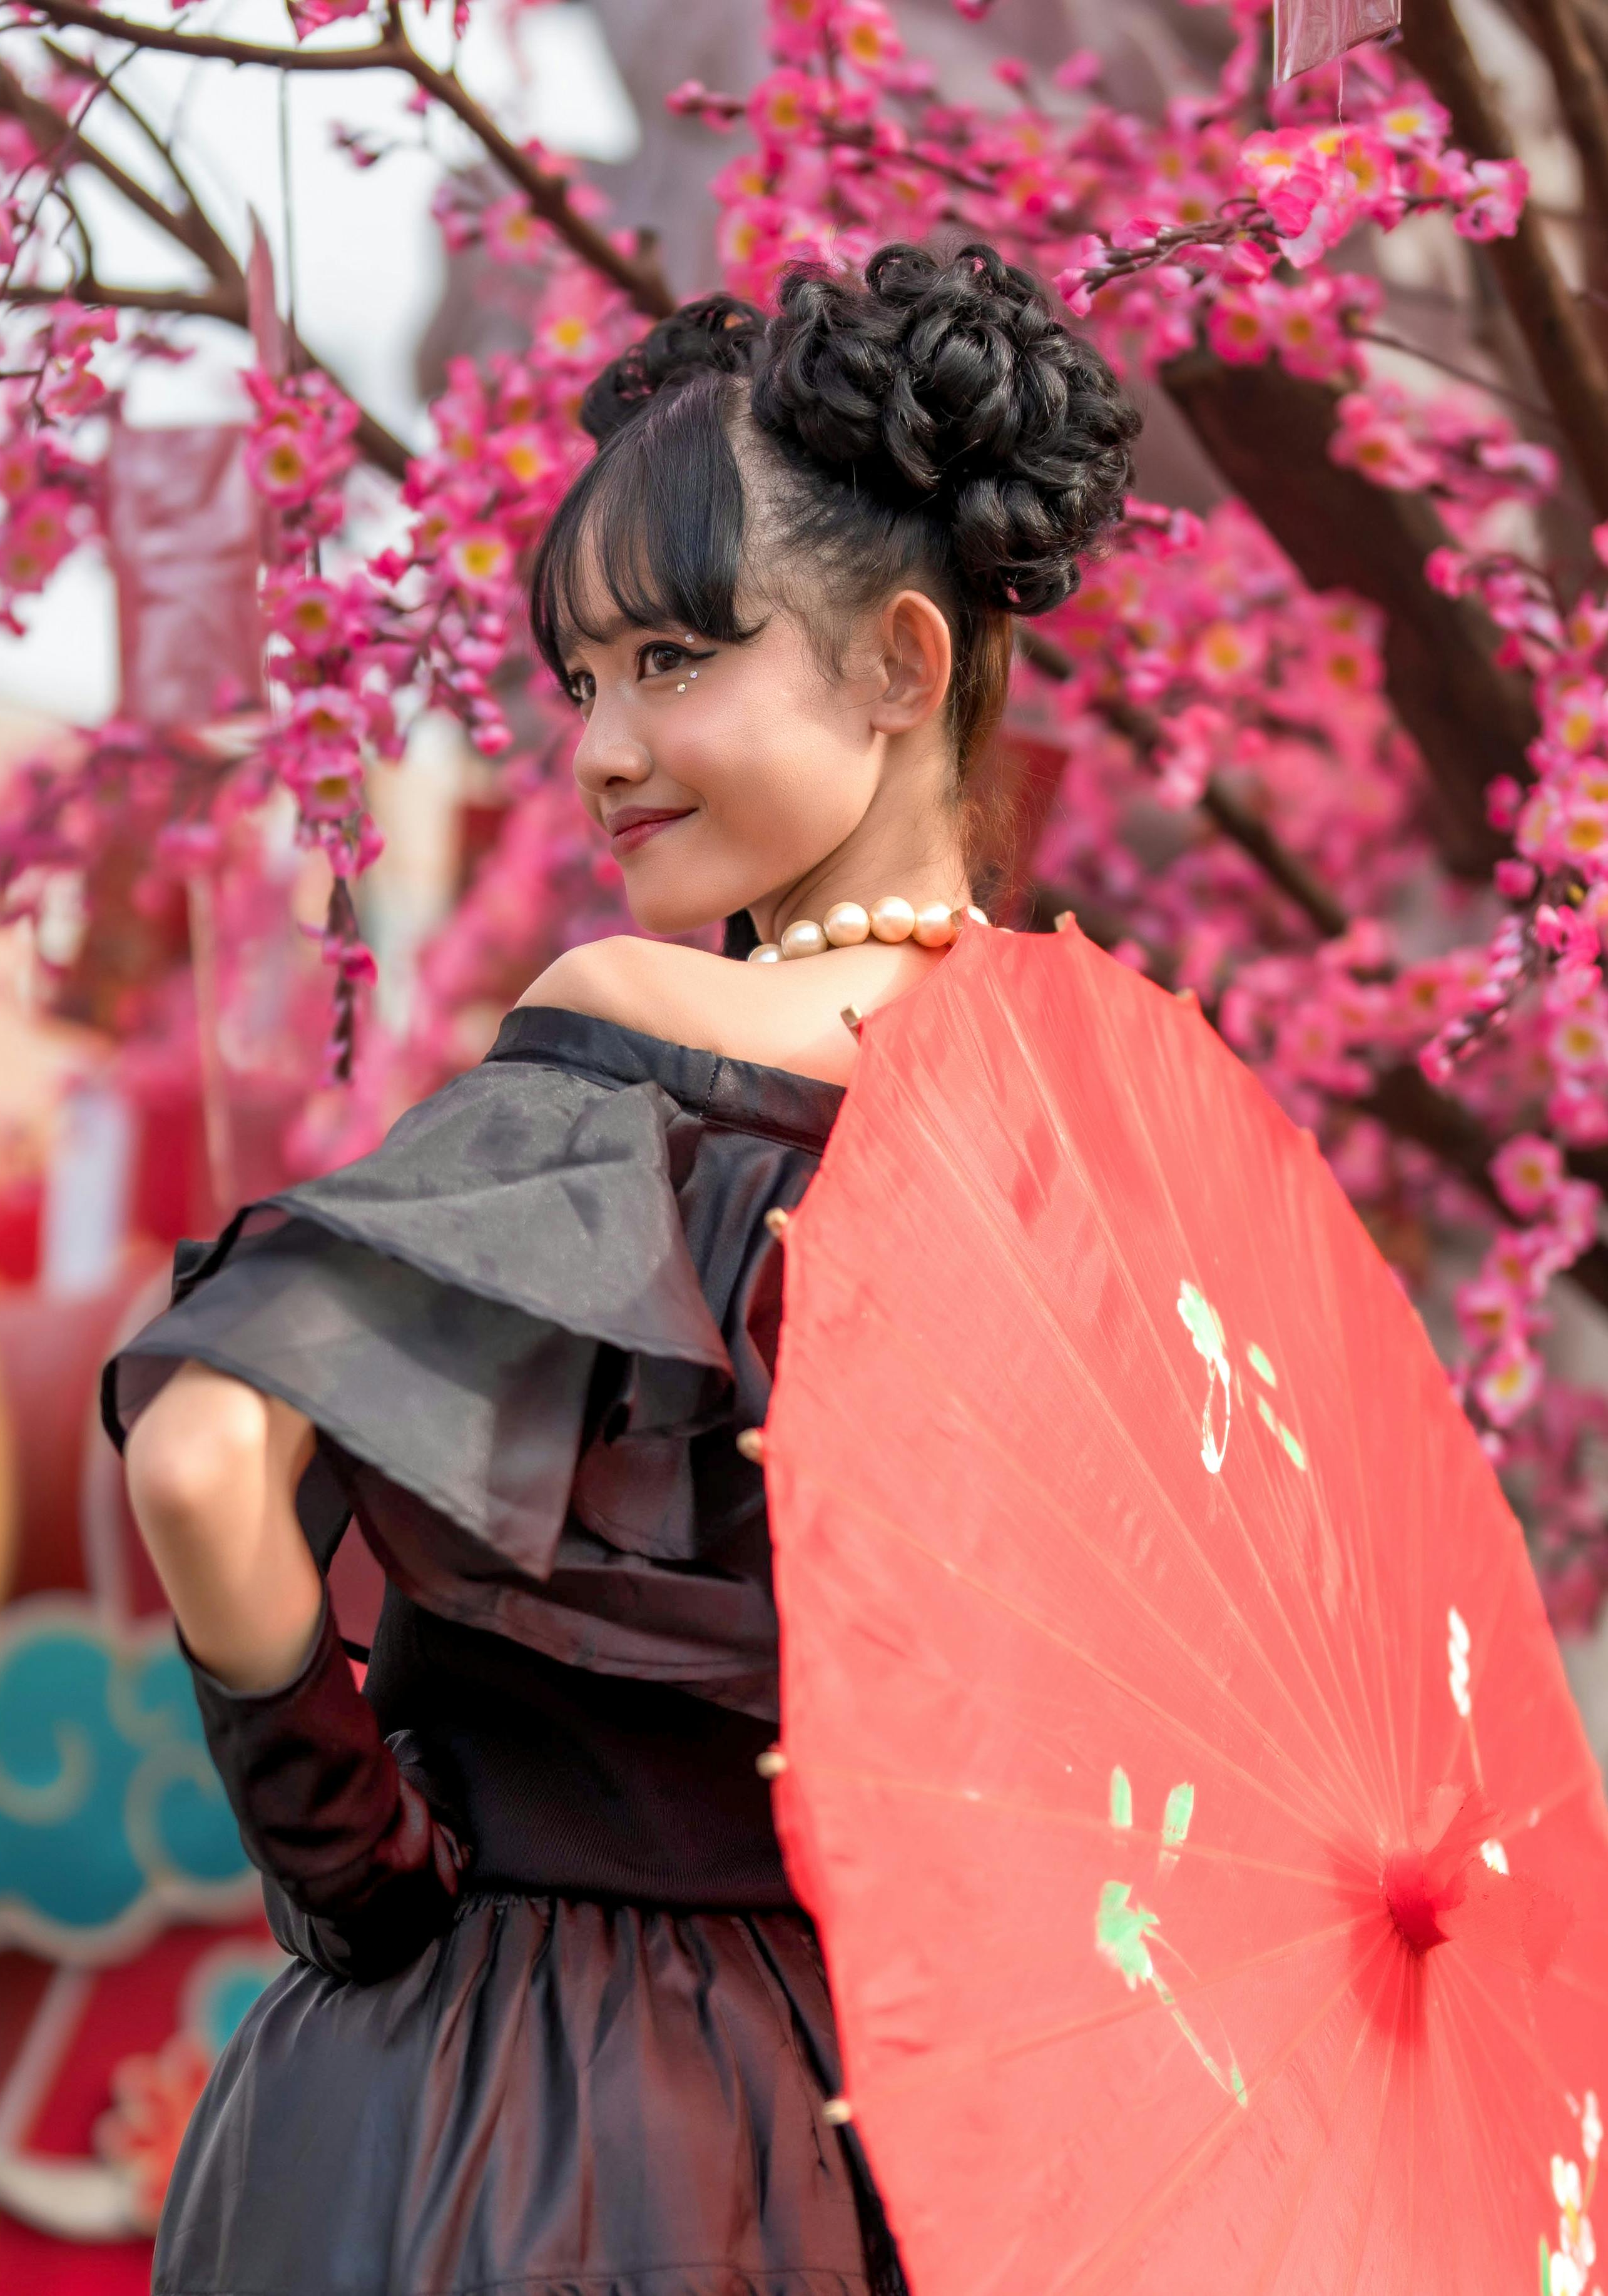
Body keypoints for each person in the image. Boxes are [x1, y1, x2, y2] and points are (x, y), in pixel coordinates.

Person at [102, 239, 1137, 2296]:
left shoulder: (636, 1038)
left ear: (903, 668)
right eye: (583, 681)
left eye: (674, 660)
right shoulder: (1110, 1136)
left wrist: (362, 1876)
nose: (598, 745)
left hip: (510, 2100)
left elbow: (209, 1461)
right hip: (903, 2146)